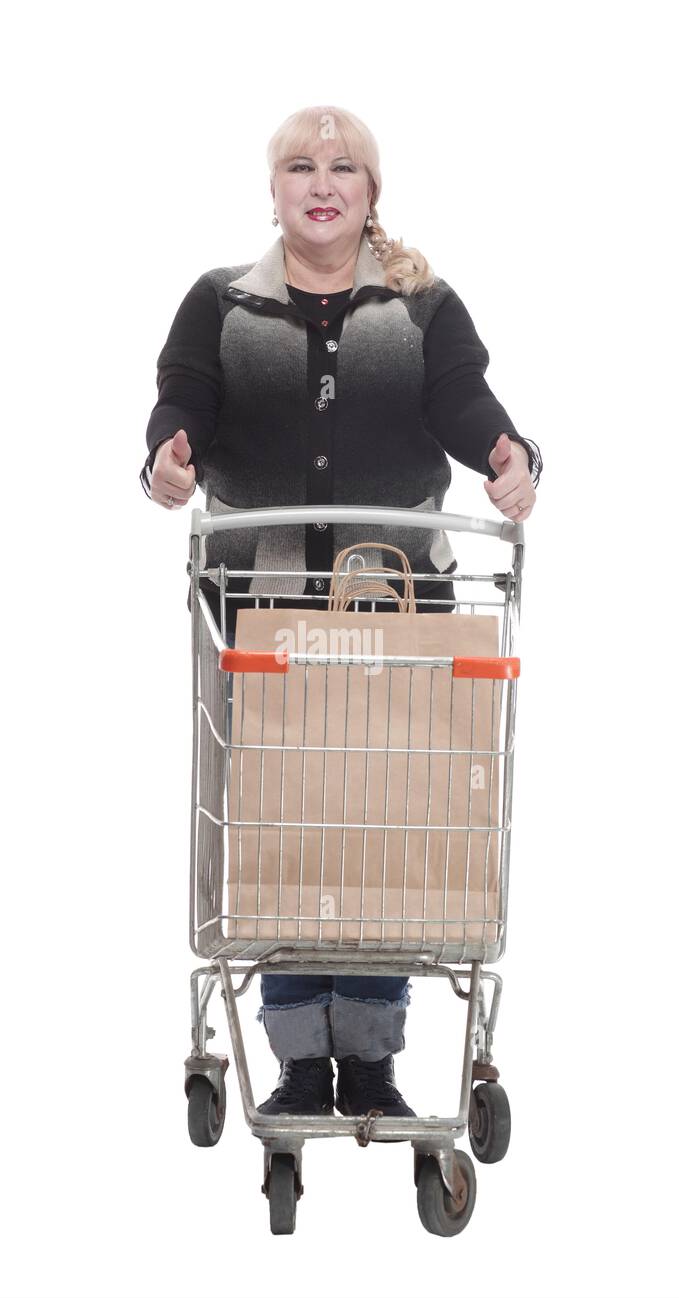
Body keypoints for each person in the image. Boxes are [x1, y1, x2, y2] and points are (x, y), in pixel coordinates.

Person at [141, 105, 542, 1125]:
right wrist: (167, 455)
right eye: (298, 167)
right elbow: (182, 397)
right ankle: (293, 1058)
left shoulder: (419, 306)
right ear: (272, 189)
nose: (320, 184)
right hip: (263, 604)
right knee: (286, 818)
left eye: (342, 169)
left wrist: (506, 455)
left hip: (396, 597)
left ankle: (365, 1057)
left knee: (373, 819)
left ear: (371, 191)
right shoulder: (220, 304)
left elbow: (462, 400)